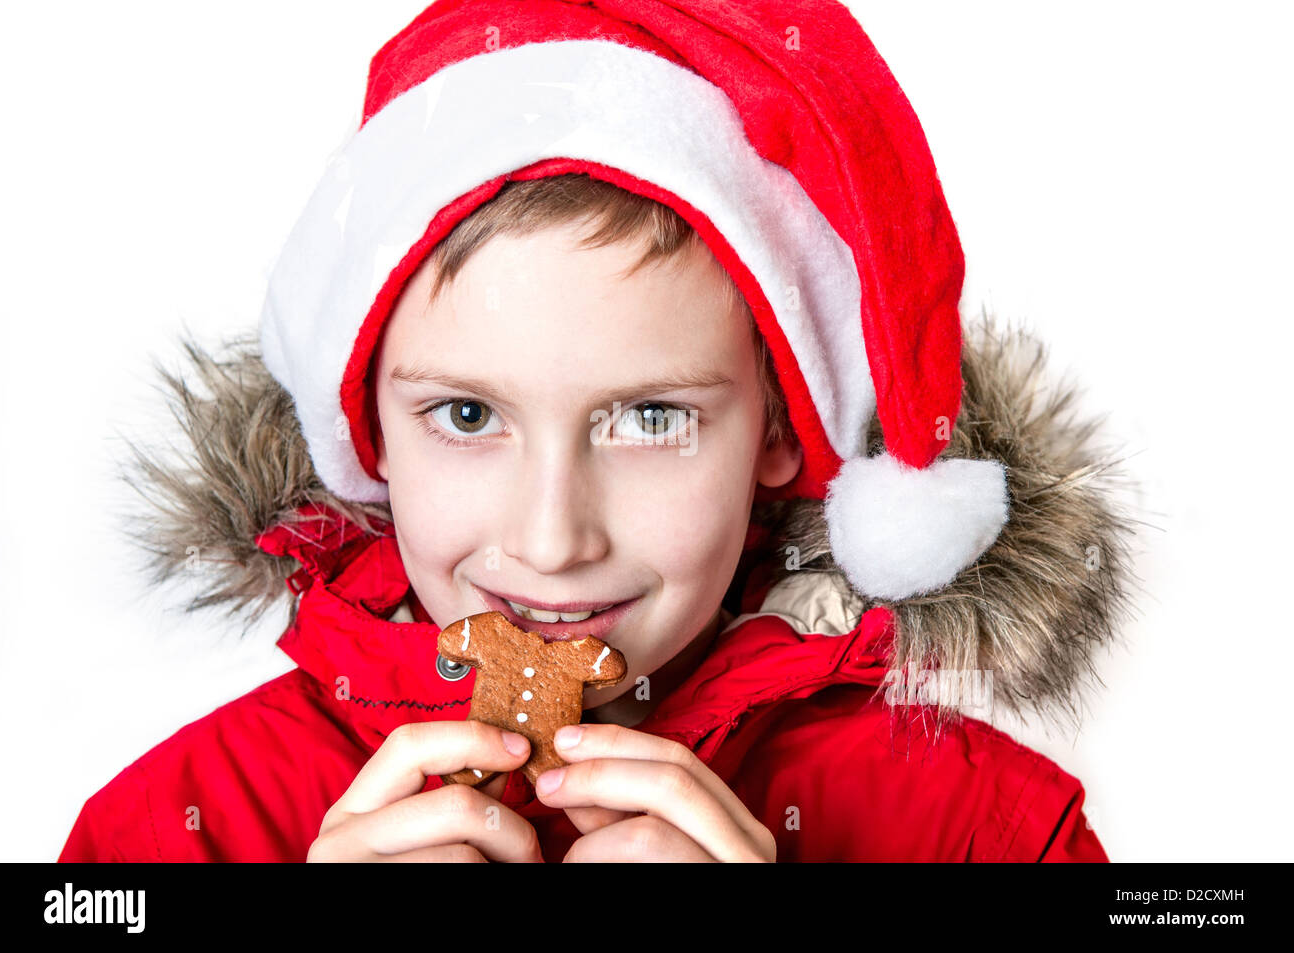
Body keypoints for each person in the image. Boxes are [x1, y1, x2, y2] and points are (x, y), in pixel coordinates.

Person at [58, 0, 1139, 862]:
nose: (553, 536)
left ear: (781, 431)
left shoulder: (986, 832)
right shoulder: (170, 831)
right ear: (369, 435)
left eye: (650, 416)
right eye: (468, 414)